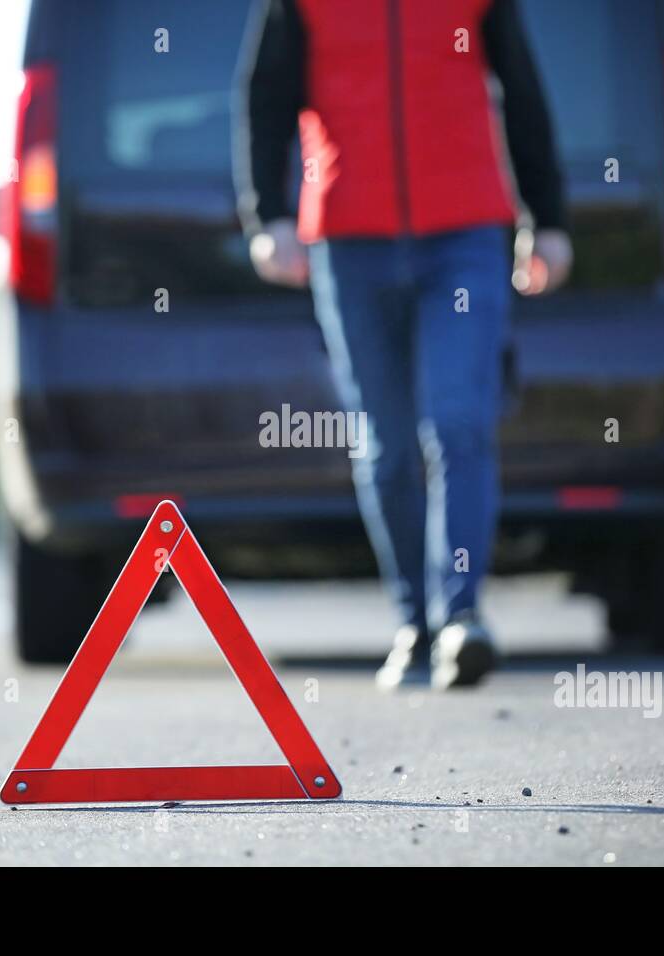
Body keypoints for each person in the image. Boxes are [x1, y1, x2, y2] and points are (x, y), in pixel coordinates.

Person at [234, 0, 572, 690]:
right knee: (386, 445)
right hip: (348, 236)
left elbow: (524, 85)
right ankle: (415, 622)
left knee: (458, 422)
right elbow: (265, 93)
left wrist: (549, 217)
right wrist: (267, 214)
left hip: (467, 232)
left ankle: (462, 619)